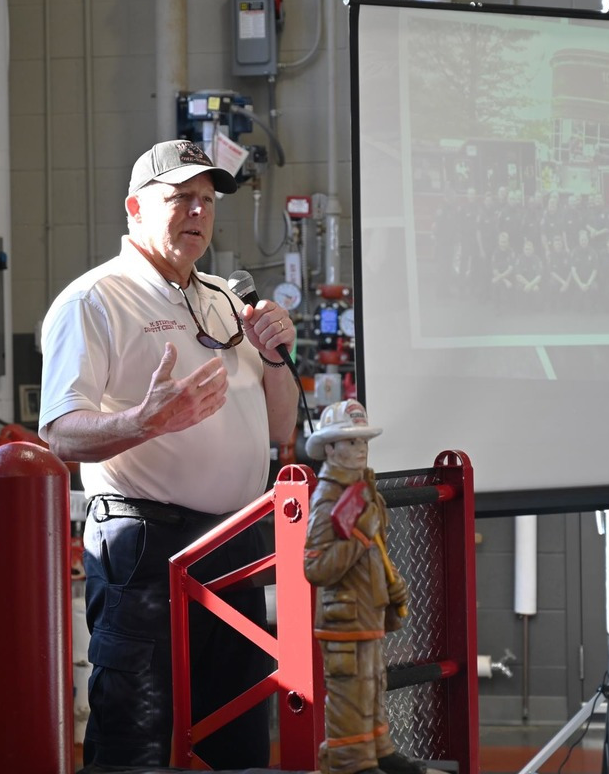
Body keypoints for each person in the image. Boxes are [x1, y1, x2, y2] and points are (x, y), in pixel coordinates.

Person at [37, 139, 299, 769]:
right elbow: (59, 433)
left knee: (237, 734)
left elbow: (283, 425)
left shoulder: (223, 299)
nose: (197, 212)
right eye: (180, 197)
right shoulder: (95, 300)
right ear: (135, 208)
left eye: (207, 200)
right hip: (145, 548)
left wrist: (273, 355)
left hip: (232, 545)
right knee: (137, 736)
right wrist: (145, 421)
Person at [303, 400, 425, 774]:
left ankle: (378, 750)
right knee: (348, 692)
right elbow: (315, 567)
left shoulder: (364, 492)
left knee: (372, 685)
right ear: (329, 449)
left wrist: (392, 586)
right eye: (349, 443)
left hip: (367, 612)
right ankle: (349, 762)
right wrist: (357, 536)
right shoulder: (327, 499)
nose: (359, 451)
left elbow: (378, 552)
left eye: (363, 444)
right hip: (343, 617)